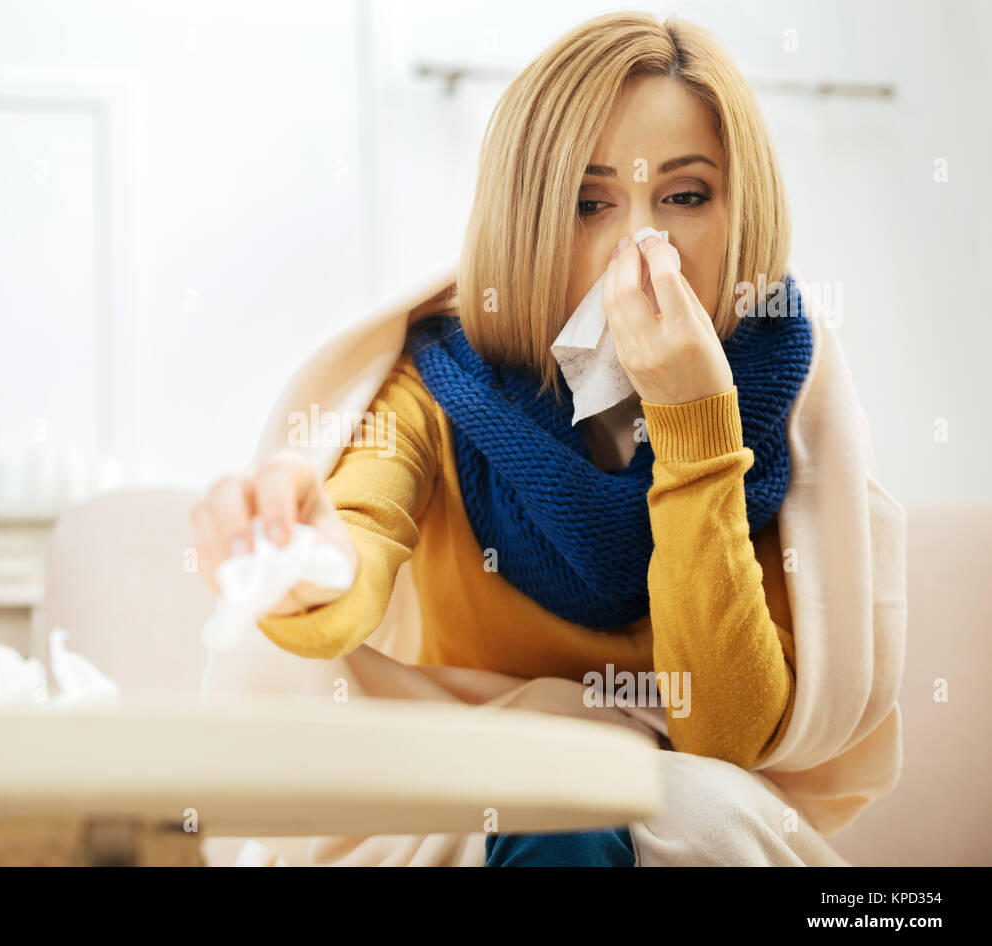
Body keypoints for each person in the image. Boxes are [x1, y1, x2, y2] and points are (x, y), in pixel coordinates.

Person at [189, 11, 815, 866]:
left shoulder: (782, 402)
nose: (641, 243)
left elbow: (728, 735)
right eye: (589, 203)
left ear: (740, 209)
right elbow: (357, 537)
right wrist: (310, 559)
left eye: (685, 195)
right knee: (555, 810)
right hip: (481, 793)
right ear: (526, 216)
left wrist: (695, 429)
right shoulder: (439, 388)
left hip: (685, 809)